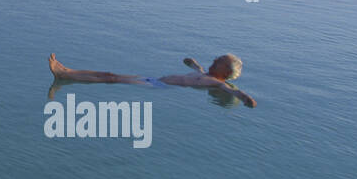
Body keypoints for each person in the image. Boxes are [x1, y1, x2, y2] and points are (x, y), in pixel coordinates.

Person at [47, 52, 257, 108]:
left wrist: (246, 98)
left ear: (225, 71)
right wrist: (191, 62)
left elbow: (232, 91)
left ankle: (64, 75)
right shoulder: (205, 75)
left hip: (157, 86)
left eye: (218, 60)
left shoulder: (217, 83)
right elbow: (197, 68)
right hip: (153, 79)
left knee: (111, 78)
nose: (214, 59)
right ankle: (68, 70)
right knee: (110, 74)